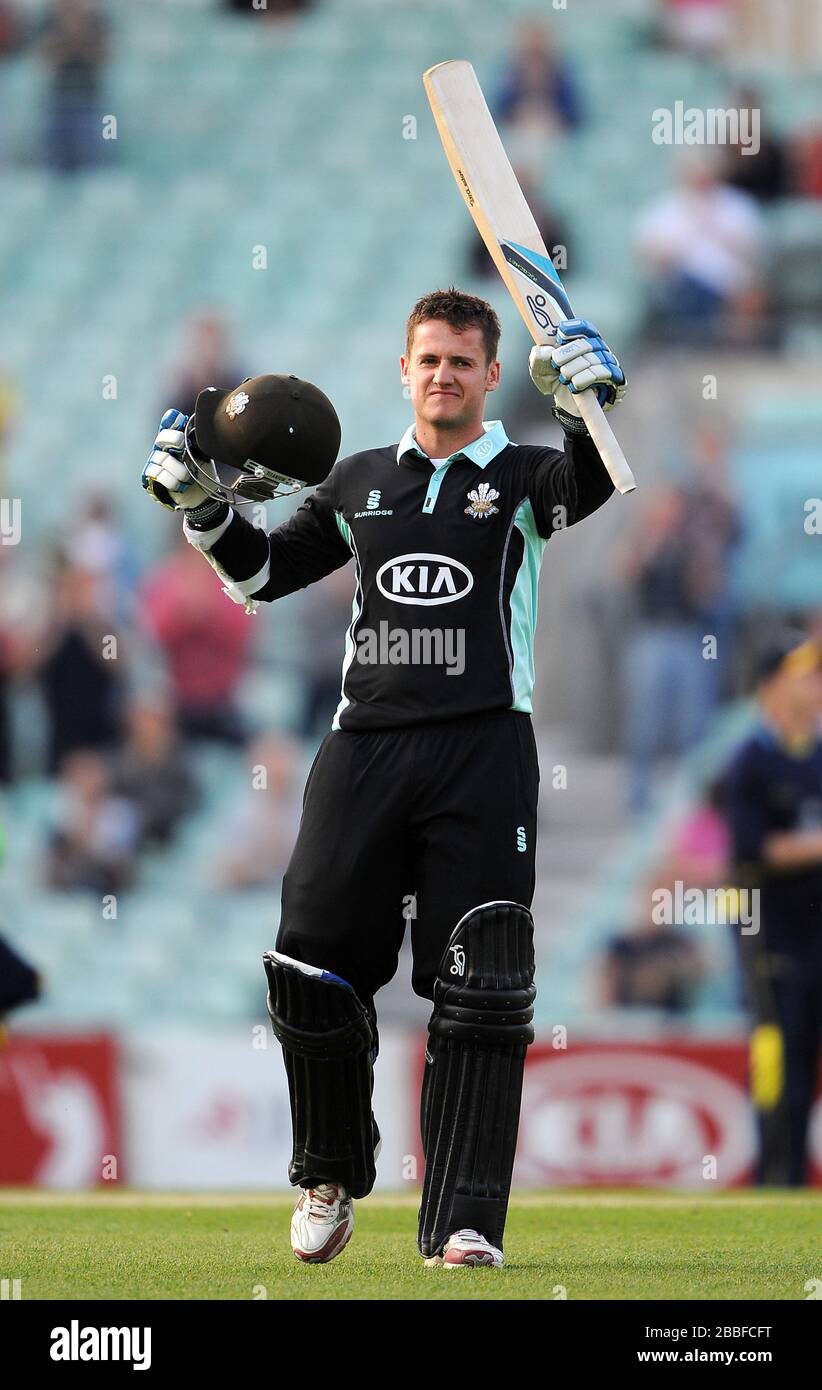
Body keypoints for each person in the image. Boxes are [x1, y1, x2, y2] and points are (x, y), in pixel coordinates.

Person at [140, 288, 626, 1268]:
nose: (443, 374)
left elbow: (596, 480)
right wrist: (204, 508)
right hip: (364, 745)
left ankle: (462, 1221)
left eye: (461, 361)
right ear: (402, 372)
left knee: (482, 987)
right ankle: (328, 1172)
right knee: (309, 961)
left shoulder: (528, 475)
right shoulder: (360, 479)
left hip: (485, 747)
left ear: (492, 376)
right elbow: (262, 574)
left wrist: (585, 404)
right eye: (428, 359)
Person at [723, 633, 822, 1186]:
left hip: (816, 932)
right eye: (802, 673)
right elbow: (751, 851)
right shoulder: (751, 762)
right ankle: (773, 1173)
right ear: (770, 688)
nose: (814, 682)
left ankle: (796, 1177)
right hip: (770, 936)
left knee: (807, 1052)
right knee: (775, 1049)